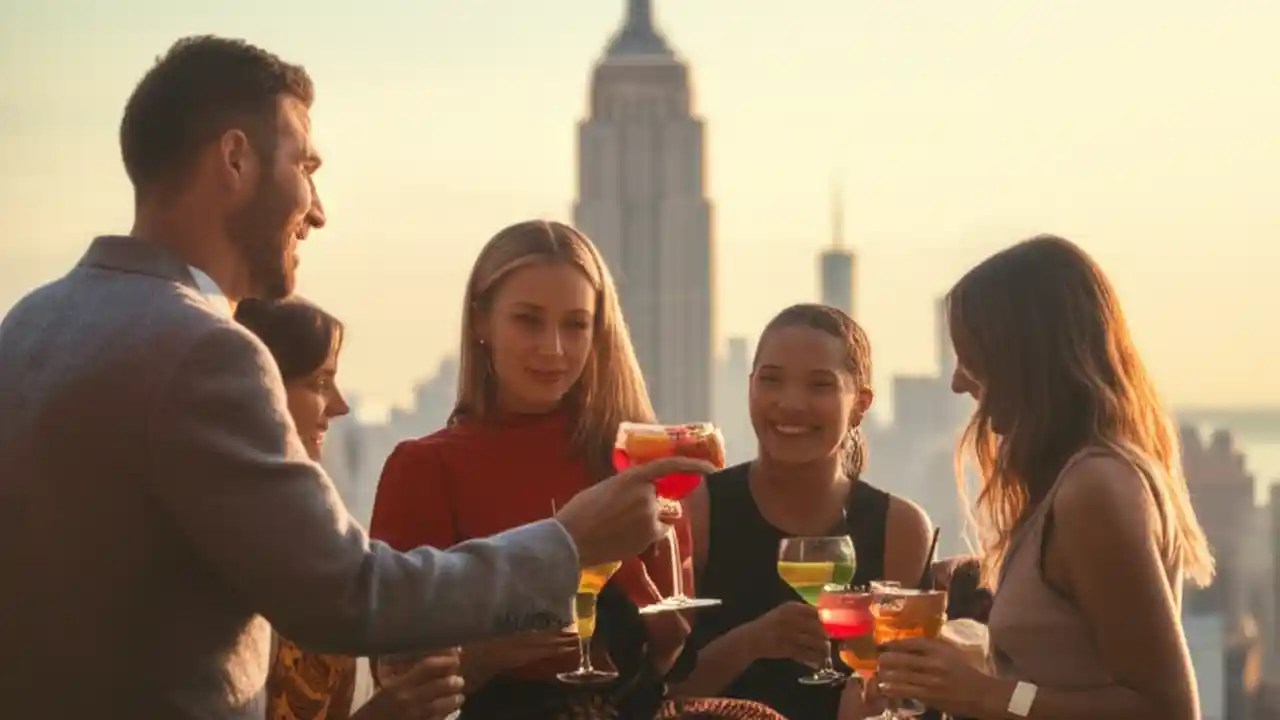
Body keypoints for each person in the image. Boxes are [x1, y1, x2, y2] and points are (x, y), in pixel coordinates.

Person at [0, 36, 711, 718]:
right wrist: (567, 546)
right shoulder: (206, 350)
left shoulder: (29, 325)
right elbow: (347, 594)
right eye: (305, 166)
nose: (317, 208)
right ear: (235, 159)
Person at [367, 220, 782, 720]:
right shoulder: (425, 468)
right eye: (528, 320)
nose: (554, 349)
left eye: (575, 324)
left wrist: (669, 644)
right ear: (481, 322)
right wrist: (489, 655)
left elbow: (667, 663)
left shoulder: (633, 460)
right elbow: (399, 684)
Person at [876, 236, 1215, 719]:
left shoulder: (1095, 489)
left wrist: (978, 694)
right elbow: (1067, 663)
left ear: (1027, 357)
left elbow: (1167, 710)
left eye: (972, 356)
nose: (957, 382)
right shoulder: (1072, 483)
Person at [673, 304, 934, 720]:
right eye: (772, 380)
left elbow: (910, 694)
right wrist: (752, 642)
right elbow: (654, 691)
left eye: (820, 386)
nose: (791, 403)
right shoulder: (698, 510)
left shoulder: (899, 528)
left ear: (860, 405)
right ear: (750, 388)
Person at [235, 297, 465, 720]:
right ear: (262, 390)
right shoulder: (227, 553)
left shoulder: (313, 538)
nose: (340, 406)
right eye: (320, 383)